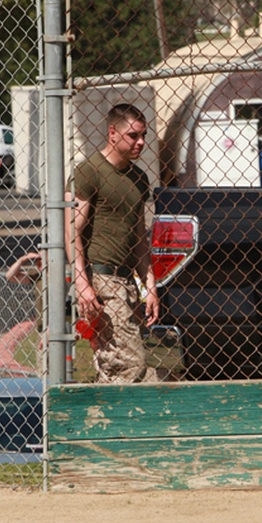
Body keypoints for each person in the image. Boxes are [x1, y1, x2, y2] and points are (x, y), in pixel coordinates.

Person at [72, 103, 159, 383]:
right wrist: (83, 283)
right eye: (133, 135)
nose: (141, 142)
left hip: (127, 283)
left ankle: (104, 417)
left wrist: (150, 288)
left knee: (118, 366)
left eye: (143, 135)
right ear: (113, 133)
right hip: (101, 279)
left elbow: (138, 238)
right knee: (130, 364)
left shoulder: (138, 179)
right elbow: (71, 230)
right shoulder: (90, 171)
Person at [0, 251, 42, 375]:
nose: (38, 262)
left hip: (56, 326)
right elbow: (10, 276)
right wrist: (22, 260)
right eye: (37, 260)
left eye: (42, 259)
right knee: (42, 369)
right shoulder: (37, 276)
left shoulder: (62, 276)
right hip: (42, 327)